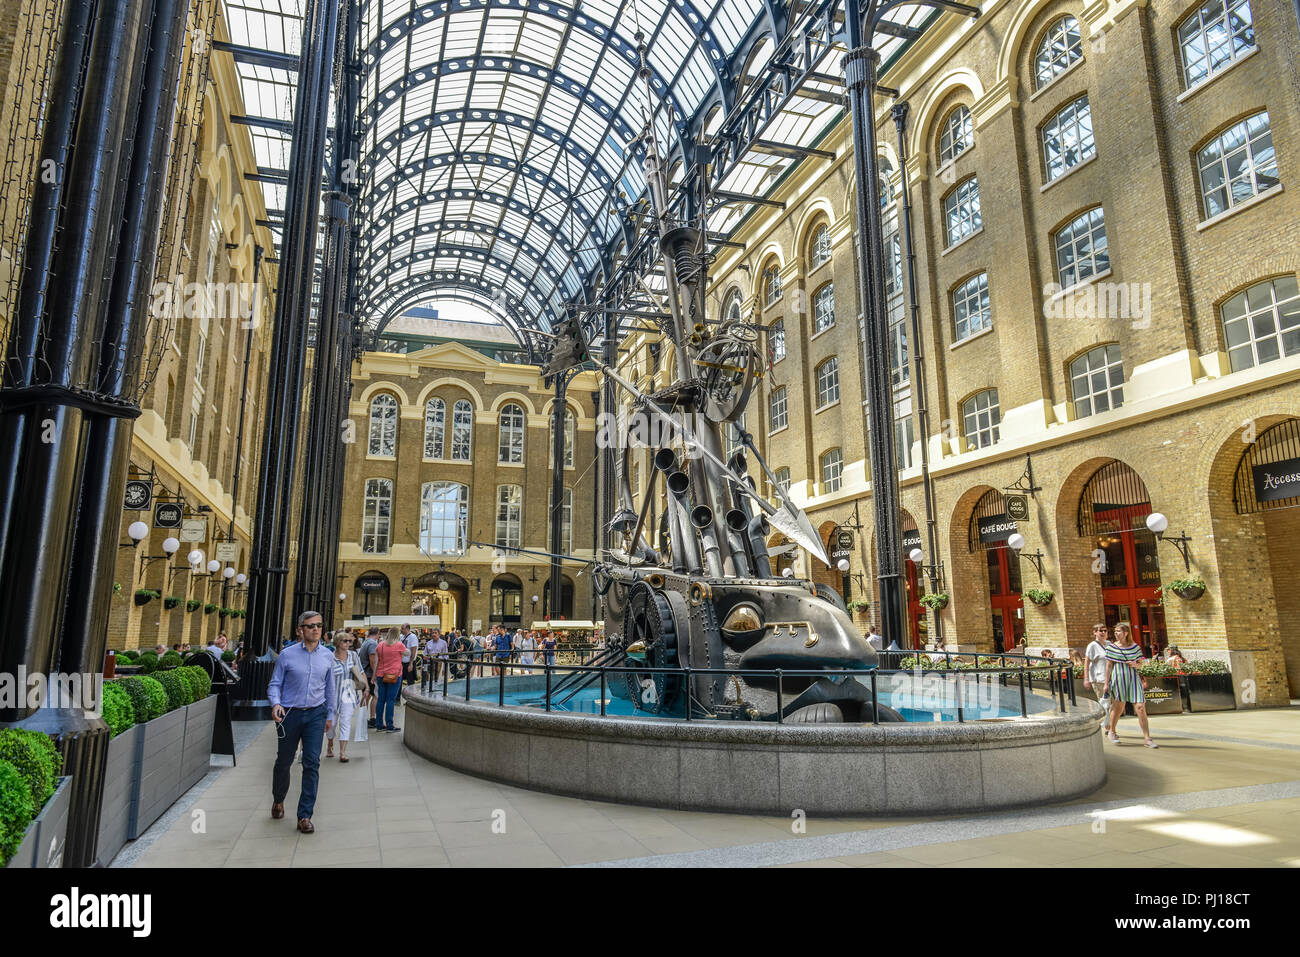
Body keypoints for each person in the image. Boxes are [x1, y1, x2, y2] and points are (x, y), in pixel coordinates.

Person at [268, 610, 336, 834]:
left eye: (318, 625)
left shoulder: (327, 655)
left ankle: (305, 815)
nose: (315, 629)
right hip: (289, 714)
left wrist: (330, 715)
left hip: (316, 714)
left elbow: (330, 688)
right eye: (310, 626)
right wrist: (276, 703)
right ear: (300, 630)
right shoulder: (287, 655)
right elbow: (275, 684)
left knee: (312, 763)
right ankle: (278, 799)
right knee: (284, 761)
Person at [1103, 622, 1157, 749]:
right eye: (1115, 631)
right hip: (1118, 678)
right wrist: (1106, 683)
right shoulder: (1112, 647)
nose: (1116, 633)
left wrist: (1134, 664)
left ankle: (1147, 738)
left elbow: (1141, 664)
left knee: (1140, 707)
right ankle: (1112, 731)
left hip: (1133, 678)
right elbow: (1109, 665)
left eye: (1119, 631)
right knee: (1118, 707)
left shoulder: (1135, 647)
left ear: (1126, 633)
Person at [326, 631, 367, 761]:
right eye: (345, 641)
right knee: (331, 724)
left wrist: (366, 687)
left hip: (348, 694)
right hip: (333, 695)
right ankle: (330, 743)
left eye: (350, 641)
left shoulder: (353, 655)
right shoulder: (330, 658)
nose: (348, 643)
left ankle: (343, 752)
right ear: (337, 643)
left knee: (345, 722)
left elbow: (361, 672)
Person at [370, 626, 406, 732]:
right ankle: (390, 725)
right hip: (394, 675)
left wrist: (374, 675)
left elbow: (376, 661)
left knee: (381, 699)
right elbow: (407, 653)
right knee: (390, 700)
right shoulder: (399, 645)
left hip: (381, 674)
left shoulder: (380, 645)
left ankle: (379, 725)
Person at [1083, 623, 1111, 728]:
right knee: (1105, 703)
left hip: (1111, 678)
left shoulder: (1109, 644)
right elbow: (1086, 663)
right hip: (1099, 679)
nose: (1103, 633)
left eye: (1105, 631)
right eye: (1100, 631)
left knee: (1112, 704)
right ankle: (1107, 726)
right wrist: (1086, 679)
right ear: (1095, 632)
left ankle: (1110, 725)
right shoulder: (1092, 646)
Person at [358, 627, 380, 728]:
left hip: (364, 673)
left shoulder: (366, 642)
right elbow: (372, 661)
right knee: (375, 696)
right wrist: (375, 674)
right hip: (369, 674)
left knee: (367, 696)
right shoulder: (372, 643)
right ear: (378, 633)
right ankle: (372, 718)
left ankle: (362, 717)